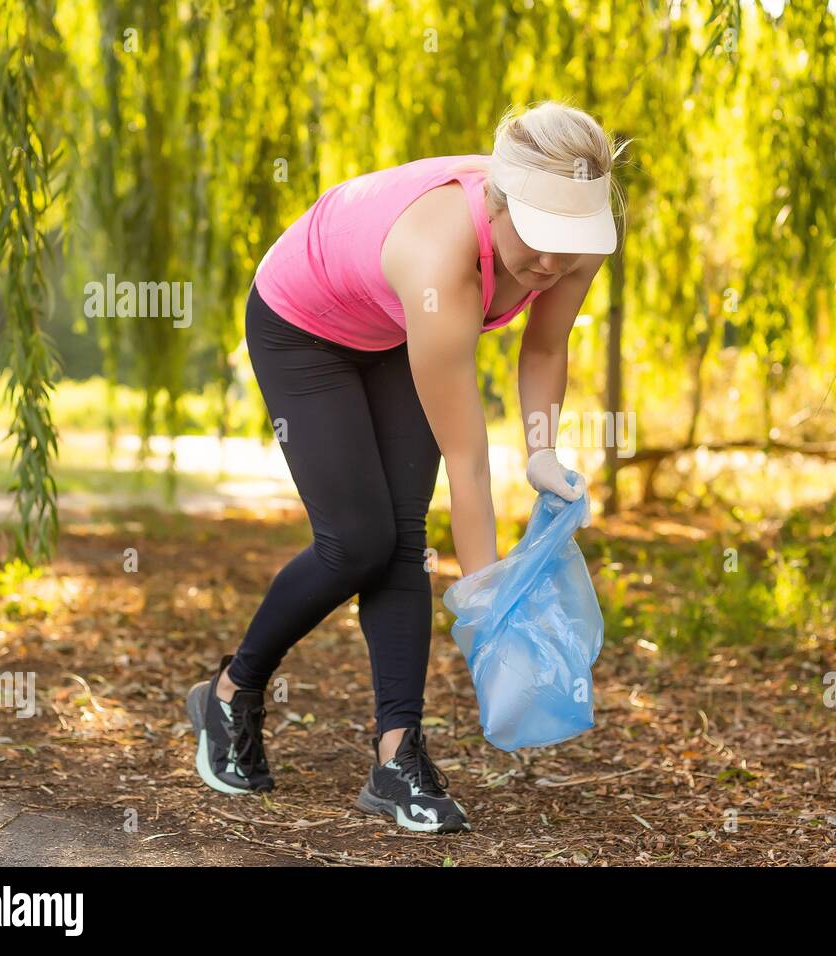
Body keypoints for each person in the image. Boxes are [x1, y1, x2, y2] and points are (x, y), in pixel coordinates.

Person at [186, 101, 624, 833]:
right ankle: (230, 693)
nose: (550, 264)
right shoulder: (439, 258)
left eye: (568, 243)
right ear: (500, 203)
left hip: (391, 325)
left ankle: (397, 755)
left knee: (403, 536)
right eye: (538, 239)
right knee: (356, 542)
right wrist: (492, 612)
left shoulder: (576, 240)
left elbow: (545, 348)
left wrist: (542, 450)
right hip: (304, 324)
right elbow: (468, 458)